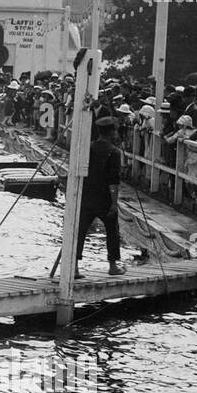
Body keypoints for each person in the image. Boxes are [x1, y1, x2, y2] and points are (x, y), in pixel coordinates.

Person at [76, 116, 127, 278]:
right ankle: (112, 265)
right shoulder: (115, 152)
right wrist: (114, 203)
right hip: (104, 198)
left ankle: (74, 267)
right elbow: (114, 181)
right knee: (112, 230)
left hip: (87, 196)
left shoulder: (88, 148)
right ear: (112, 132)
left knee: (80, 231)